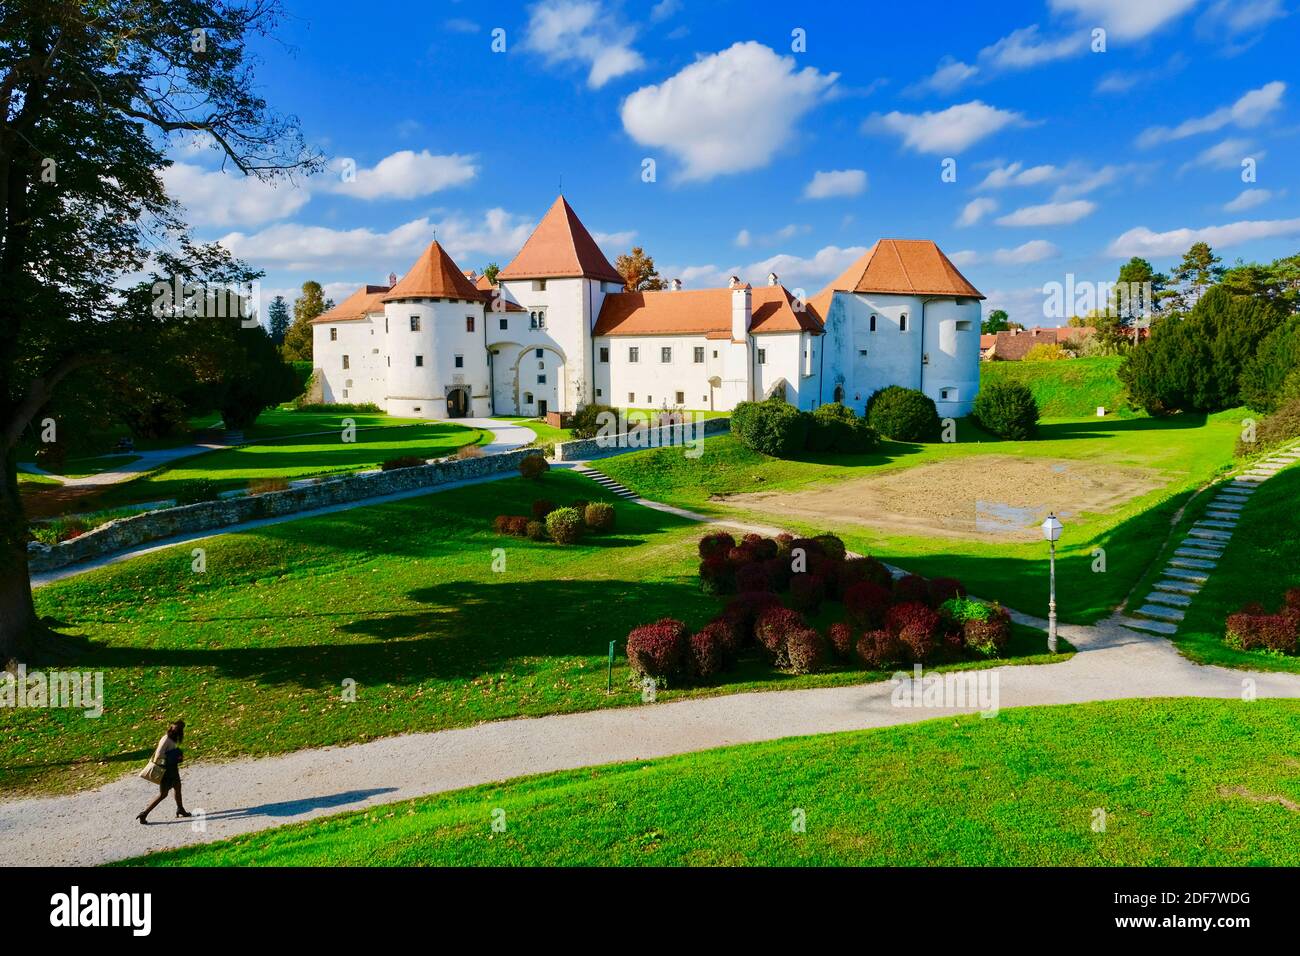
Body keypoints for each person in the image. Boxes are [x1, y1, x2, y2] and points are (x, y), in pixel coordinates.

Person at [137, 720, 191, 823]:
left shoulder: (172, 739)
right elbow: (159, 755)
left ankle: (180, 809)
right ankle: (144, 814)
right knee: (163, 794)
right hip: (166, 771)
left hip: (172, 769)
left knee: (178, 787)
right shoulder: (166, 739)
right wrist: (173, 756)